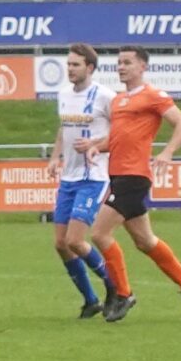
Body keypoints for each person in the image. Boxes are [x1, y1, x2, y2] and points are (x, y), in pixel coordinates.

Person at [89, 47, 181, 322]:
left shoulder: (152, 95)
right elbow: (119, 138)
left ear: (142, 67)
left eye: (127, 62)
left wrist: (167, 152)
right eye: (118, 63)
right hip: (118, 175)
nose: (121, 67)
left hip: (134, 176)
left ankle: (124, 293)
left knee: (100, 234)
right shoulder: (118, 101)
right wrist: (97, 146)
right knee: (145, 241)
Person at [45, 45, 121, 319]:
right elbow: (63, 130)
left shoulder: (105, 97)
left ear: (90, 67)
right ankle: (91, 300)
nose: (70, 69)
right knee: (60, 244)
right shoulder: (64, 94)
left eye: (75, 65)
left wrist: (95, 143)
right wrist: (55, 158)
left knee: (76, 240)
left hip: (93, 176)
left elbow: (121, 133)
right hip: (69, 177)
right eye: (68, 64)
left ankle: (113, 284)